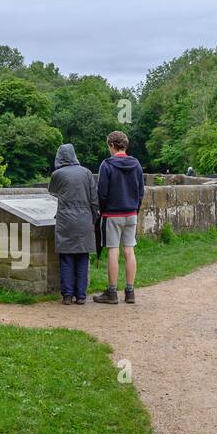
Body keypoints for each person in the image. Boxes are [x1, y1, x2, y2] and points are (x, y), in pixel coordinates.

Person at [93, 130, 143, 305]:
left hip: (112, 214)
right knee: (129, 250)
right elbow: (140, 192)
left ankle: (112, 292)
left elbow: (102, 193)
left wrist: (103, 210)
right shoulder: (136, 164)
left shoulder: (106, 165)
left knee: (113, 250)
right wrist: (135, 209)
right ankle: (130, 291)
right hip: (131, 213)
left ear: (112, 145)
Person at [48, 143, 98, 305]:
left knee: (66, 257)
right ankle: (81, 296)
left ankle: (67, 295)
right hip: (84, 219)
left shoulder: (58, 174)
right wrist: (93, 219)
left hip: (65, 220)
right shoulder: (87, 173)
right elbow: (94, 200)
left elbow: (53, 192)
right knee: (82, 257)